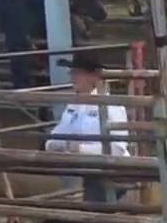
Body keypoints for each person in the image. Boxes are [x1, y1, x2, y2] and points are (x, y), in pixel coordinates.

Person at [46, 53, 131, 203]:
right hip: (87, 170)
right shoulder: (74, 105)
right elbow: (54, 138)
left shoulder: (112, 106)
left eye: (77, 73)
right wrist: (61, 145)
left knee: (92, 200)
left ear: (94, 77)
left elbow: (117, 148)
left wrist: (80, 149)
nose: (72, 77)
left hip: (112, 171)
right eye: (72, 72)